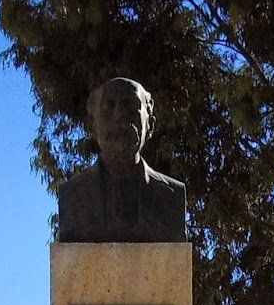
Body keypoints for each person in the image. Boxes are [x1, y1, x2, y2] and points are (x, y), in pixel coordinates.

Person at [56, 78, 186, 243]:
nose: (119, 115)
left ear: (150, 125)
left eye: (130, 105)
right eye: (109, 106)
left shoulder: (172, 196)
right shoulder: (72, 195)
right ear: (91, 125)